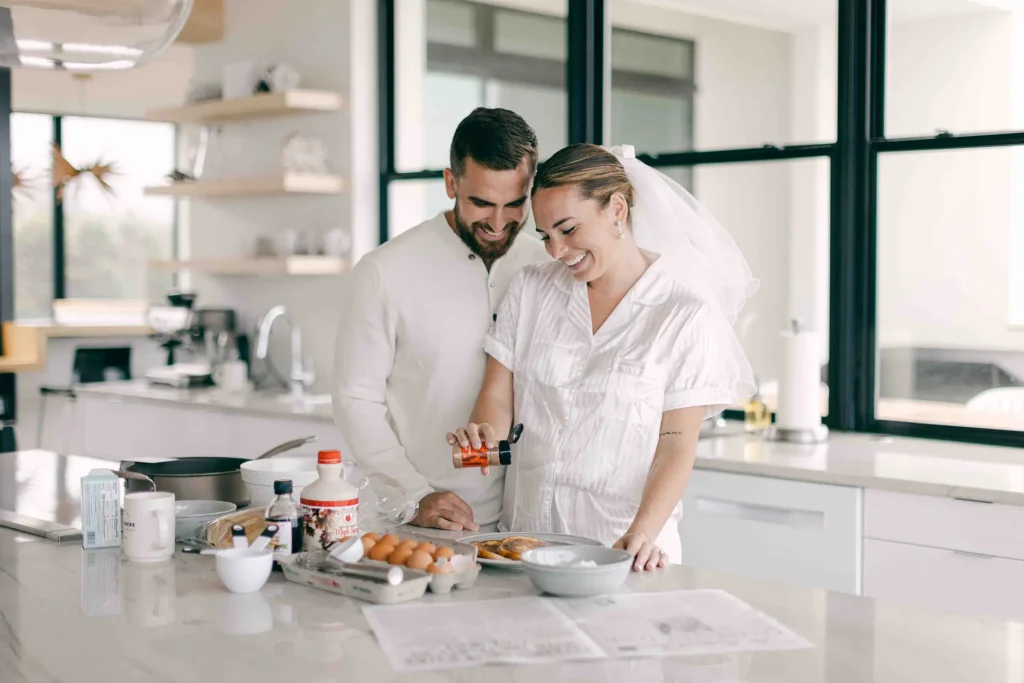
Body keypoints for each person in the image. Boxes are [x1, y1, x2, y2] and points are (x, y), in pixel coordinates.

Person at [446, 143, 757, 571]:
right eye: (545, 235)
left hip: (622, 549)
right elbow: (498, 398)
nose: (556, 250)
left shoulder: (682, 315)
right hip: (525, 546)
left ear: (616, 210)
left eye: (568, 229)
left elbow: (676, 445)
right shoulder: (531, 289)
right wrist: (483, 439)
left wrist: (643, 531)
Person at [332, 108, 549, 532]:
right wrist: (414, 495)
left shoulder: (545, 264)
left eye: (515, 205)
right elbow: (355, 400)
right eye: (482, 203)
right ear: (451, 183)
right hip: (417, 522)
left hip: (529, 525)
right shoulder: (385, 270)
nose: (499, 223)